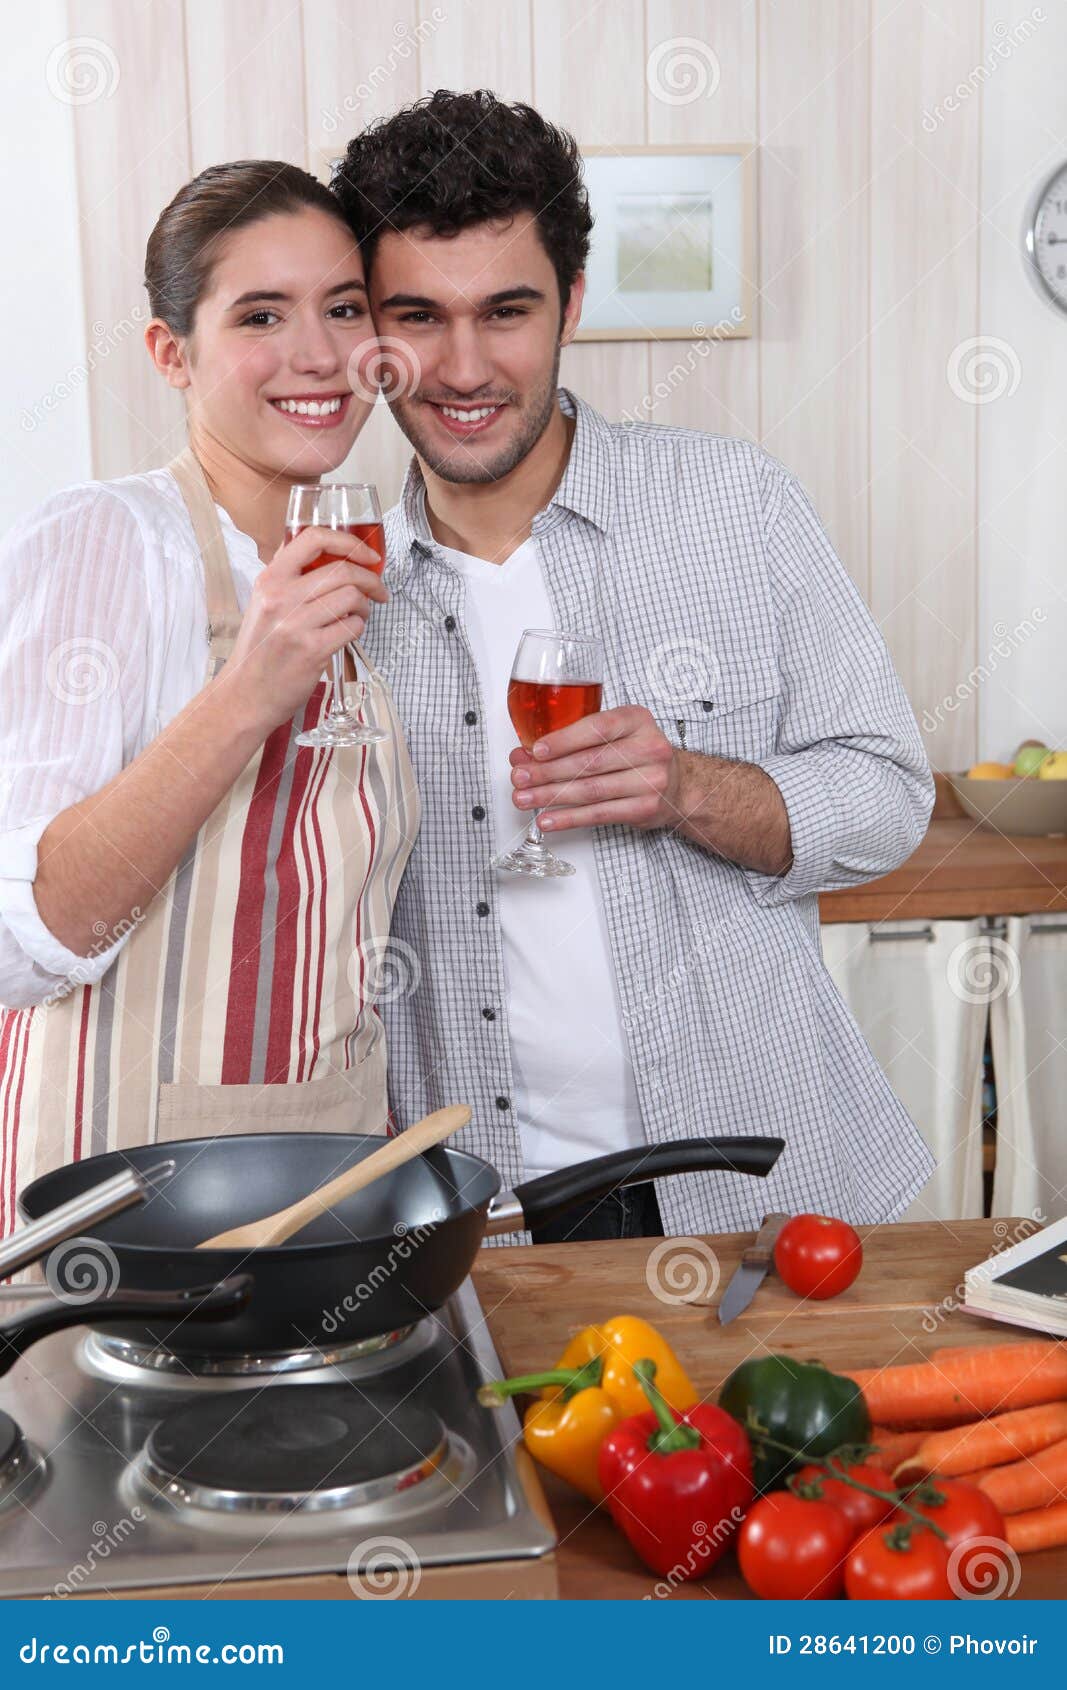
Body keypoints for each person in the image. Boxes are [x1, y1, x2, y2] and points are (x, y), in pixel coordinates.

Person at [334, 90, 937, 1244]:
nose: (463, 368)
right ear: (369, 335)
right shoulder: (334, 595)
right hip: (478, 1217)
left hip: (758, 1194)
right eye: (418, 317)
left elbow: (888, 800)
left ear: (570, 301)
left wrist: (689, 788)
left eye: (505, 311)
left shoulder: (733, 502)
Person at [0, 161, 418, 1219]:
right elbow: (30, 931)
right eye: (261, 315)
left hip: (327, 1173)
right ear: (171, 353)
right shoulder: (106, 543)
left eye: (342, 307)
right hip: (122, 1192)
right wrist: (246, 691)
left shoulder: (370, 562)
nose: (317, 354)